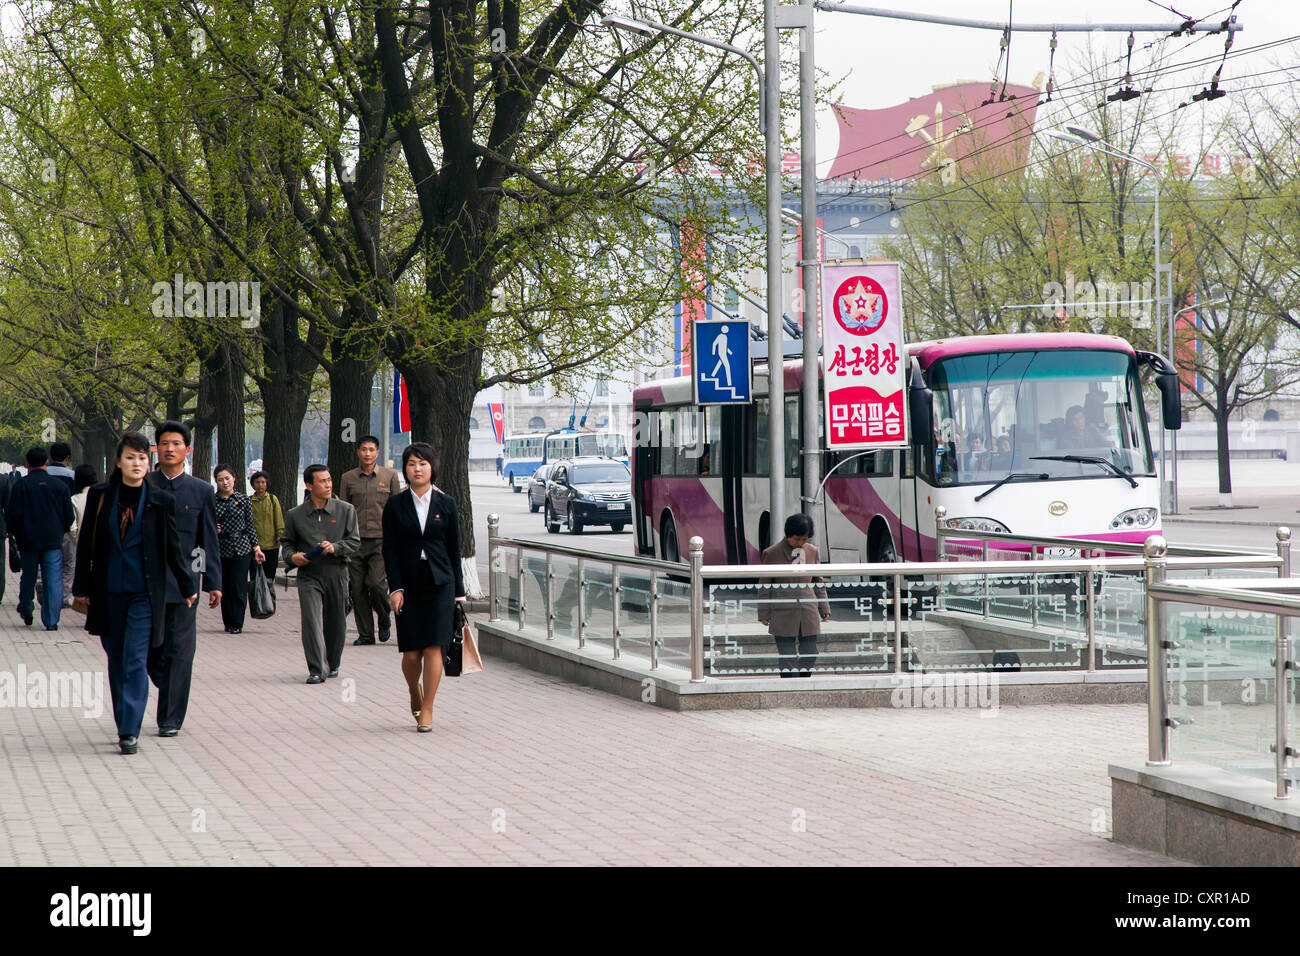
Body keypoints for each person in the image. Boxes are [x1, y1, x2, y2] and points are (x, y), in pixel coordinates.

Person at [71, 432, 197, 755]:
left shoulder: (159, 500)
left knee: (134, 659)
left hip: (144, 594)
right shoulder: (100, 496)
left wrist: (187, 586)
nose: (137, 463)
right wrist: (81, 589)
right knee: (116, 659)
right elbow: (86, 544)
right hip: (108, 593)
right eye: (130, 457)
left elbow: (173, 548)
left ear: (148, 461)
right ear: (118, 461)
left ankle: (130, 730)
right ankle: (123, 719)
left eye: (142, 458)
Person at [146, 421, 222, 736]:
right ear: (157, 448)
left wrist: (214, 582)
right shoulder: (143, 485)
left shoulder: (201, 491)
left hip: (184, 586)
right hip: (146, 583)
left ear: (187, 449)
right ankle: (170, 684)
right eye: (164, 443)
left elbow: (208, 540)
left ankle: (170, 719)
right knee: (152, 651)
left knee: (180, 650)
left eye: (176, 443)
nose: (169, 448)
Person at [382, 443, 464, 732]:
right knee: (411, 653)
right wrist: (396, 588)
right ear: (405, 469)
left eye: (423, 463)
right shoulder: (395, 505)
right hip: (408, 585)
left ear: (433, 468)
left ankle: (427, 707)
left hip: (441, 584)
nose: (417, 469)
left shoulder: (447, 504)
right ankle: (413, 691)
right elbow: (389, 550)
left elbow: (455, 550)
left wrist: (459, 592)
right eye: (412, 464)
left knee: (434, 648)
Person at [282, 465, 360, 683]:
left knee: (336, 622)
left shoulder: (346, 510)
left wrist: (335, 547)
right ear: (309, 485)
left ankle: (333, 662)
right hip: (309, 575)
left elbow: (354, 541)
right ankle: (316, 668)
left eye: (329, 480)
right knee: (311, 621)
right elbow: (286, 545)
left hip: (337, 572)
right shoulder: (295, 515)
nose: (327, 485)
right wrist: (293, 557)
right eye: (322, 481)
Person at [338, 436, 402, 646]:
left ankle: (384, 619)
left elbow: (396, 510)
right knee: (357, 588)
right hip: (354, 541)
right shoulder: (348, 478)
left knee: (375, 584)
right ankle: (366, 633)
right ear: (358, 452)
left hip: (381, 541)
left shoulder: (390, 476)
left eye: (371, 450)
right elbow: (343, 511)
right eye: (363, 449)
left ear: (377, 452)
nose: (367, 453)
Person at [6, 447, 74, 629]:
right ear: (47, 462)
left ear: (28, 463)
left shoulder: (21, 486)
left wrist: (15, 533)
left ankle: (27, 608)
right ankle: (51, 620)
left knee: (28, 576)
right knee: (53, 579)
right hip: (53, 540)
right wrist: (61, 529)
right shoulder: (59, 487)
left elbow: (13, 515)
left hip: (28, 540)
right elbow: (69, 515)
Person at [757, 513, 830, 678]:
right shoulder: (772, 553)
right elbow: (764, 586)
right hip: (782, 610)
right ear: (788, 534)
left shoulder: (812, 551)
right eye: (797, 539)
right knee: (787, 655)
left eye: (804, 539)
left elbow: (818, 582)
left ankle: (803, 681)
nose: (801, 543)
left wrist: (824, 606)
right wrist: (763, 612)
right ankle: (792, 685)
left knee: (811, 652)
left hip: (808, 609)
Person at [213, 463, 263, 634]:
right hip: (222, 547)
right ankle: (227, 621)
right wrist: (214, 529)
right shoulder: (212, 501)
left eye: (227, 478)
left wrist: (256, 548)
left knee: (239, 585)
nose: (225, 482)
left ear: (234, 478)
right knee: (225, 586)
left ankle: (237, 622)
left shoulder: (243, 500)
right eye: (220, 480)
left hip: (242, 548)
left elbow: (250, 525)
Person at [249, 471, 284, 585]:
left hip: (272, 545)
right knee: (255, 578)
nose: (260, 485)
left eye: (263, 482)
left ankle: (269, 599)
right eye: (257, 482)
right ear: (253, 484)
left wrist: (280, 534)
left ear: (267, 484)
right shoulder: (249, 501)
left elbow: (278, 519)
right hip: (255, 546)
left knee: (269, 577)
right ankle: (257, 600)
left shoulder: (273, 499)